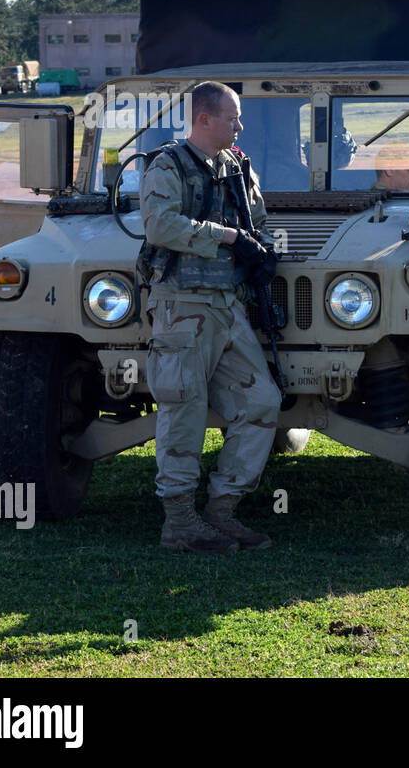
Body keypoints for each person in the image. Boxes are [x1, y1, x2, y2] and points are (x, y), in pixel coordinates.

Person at [140, 81, 282, 554]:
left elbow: (256, 221)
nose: (239, 126)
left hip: (227, 304)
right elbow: (160, 225)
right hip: (182, 305)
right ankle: (178, 521)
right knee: (182, 407)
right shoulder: (168, 165)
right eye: (232, 118)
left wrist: (260, 250)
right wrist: (224, 236)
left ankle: (221, 511)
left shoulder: (237, 168)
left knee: (262, 401)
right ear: (204, 119)